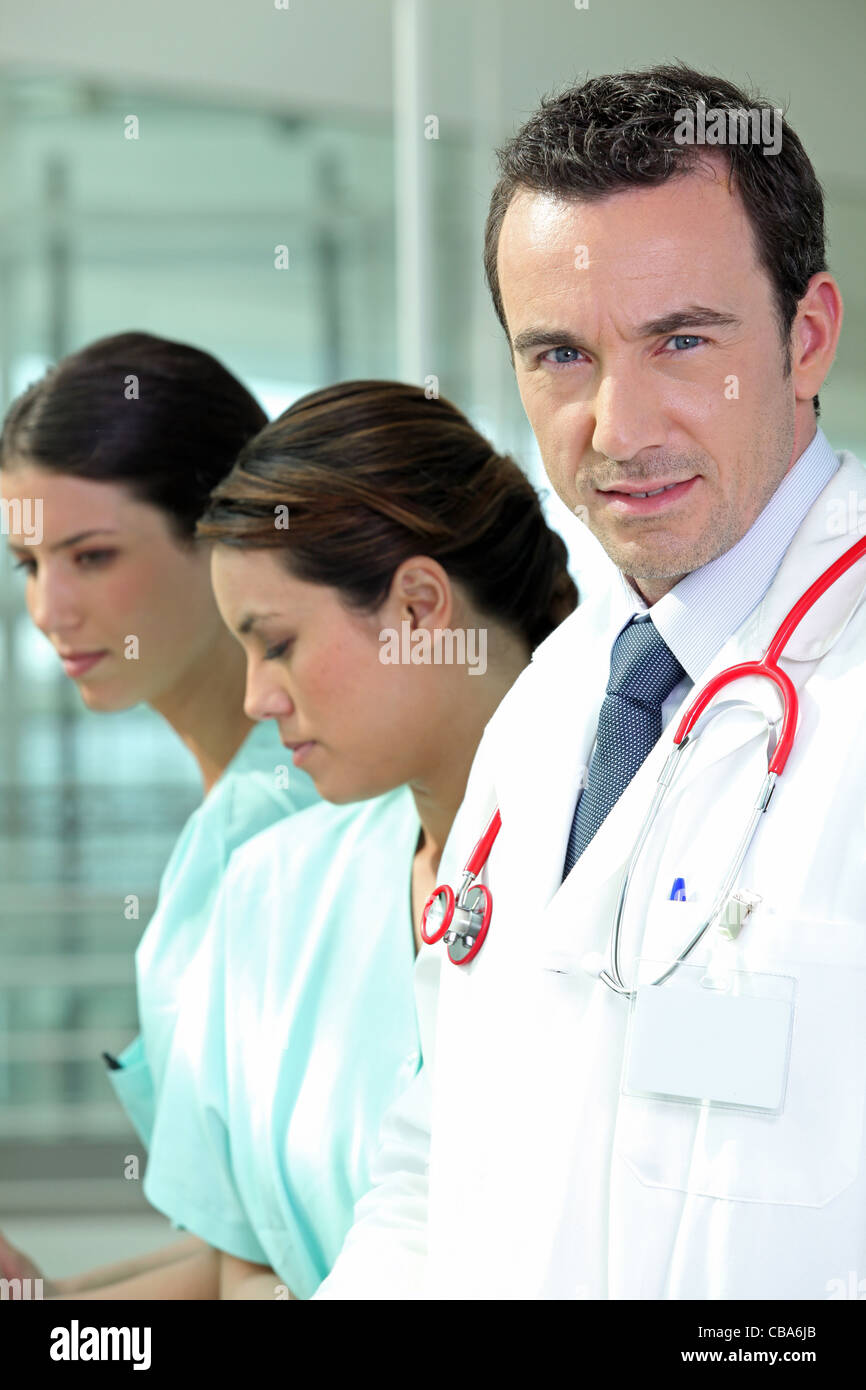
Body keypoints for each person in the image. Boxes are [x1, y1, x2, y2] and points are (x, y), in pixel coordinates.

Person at [313, 63, 866, 1301]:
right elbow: (440, 1157)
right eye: (558, 354)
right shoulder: (547, 707)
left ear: (805, 334)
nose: (615, 427)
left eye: (679, 341)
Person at [105, 378, 577, 1300]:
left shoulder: (637, 863)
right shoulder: (270, 893)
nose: (256, 698)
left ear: (417, 609)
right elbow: (247, 1257)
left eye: (275, 643)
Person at [0, 332, 320, 1298]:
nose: (49, 607)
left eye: (91, 557)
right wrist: (50, 1305)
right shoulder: (239, 812)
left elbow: (318, 1261)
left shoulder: (308, 816)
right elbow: (257, 1250)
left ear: (223, 534)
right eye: (26, 563)